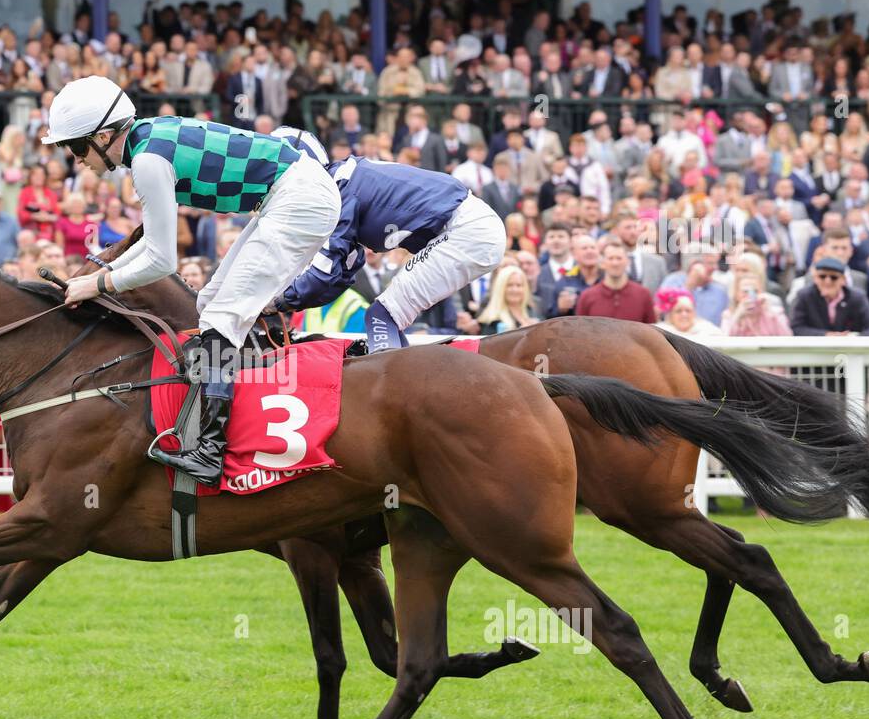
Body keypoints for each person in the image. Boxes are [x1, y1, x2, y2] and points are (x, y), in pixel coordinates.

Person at [51, 76, 341, 487]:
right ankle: (246, 399)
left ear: (102, 136)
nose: (75, 158)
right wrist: (98, 276)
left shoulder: (148, 160)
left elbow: (161, 260)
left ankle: (210, 449)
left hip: (298, 197)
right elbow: (153, 247)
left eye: (77, 146)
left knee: (222, 316)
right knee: (209, 304)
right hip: (289, 194)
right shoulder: (148, 141)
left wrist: (98, 286)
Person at [269, 152, 504, 356]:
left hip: (466, 229)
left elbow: (324, 273)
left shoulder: (337, 189)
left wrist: (272, 302)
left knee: (382, 316)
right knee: (385, 315)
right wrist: (286, 302)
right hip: (472, 227)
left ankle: (396, 399)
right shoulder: (346, 180)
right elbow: (337, 277)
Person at [789, 257, 869, 336]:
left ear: (843, 280)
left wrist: (855, 338)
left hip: (851, 356)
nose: (827, 281)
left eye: (833, 277)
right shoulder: (805, 296)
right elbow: (796, 327)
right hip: (813, 357)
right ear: (815, 278)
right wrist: (825, 335)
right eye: (822, 276)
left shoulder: (856, 297)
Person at [476, 266, 539, 334]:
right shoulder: (491, 320)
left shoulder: (532, 311)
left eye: (519, 285)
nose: (515, 290)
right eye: (509, 285)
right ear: (500, 288)